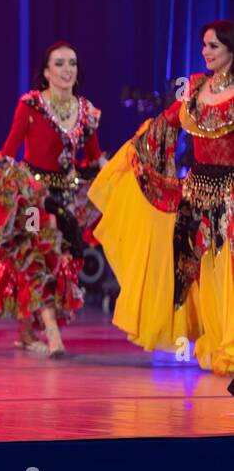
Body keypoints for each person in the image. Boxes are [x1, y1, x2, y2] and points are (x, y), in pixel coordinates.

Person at [90, 19, 234, 375]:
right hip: (197, 194)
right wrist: (136, 153)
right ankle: (215, 345)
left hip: (230, 194)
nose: (205, 51)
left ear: (231, 49)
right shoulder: (197, 87)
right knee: (198, 272)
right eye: (204, 45)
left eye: (213, 46)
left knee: (226, 271)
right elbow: (167, 123)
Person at [0, 42, 102, 358]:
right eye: (58, 64)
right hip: (32, 197)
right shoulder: (31, 105)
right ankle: (53, 334)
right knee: (35, 255)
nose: (66, 70)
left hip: (66, 197)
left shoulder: (86, 111)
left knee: (58, 262)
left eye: (71, 63)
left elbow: (93, 158)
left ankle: (28, 330)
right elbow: (8, 151)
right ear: (46, 72)